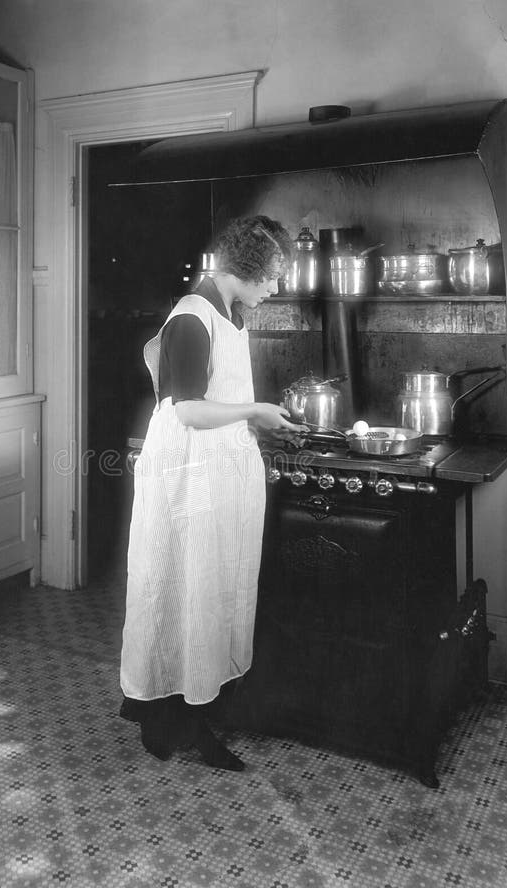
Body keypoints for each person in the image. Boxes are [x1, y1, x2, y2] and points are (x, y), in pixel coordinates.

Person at [119, 215, 307, 771]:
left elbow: (219, 394)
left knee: (210, 588)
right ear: (244, 269)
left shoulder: (230, 315)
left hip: (218, 468)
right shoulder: (192, 317)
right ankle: (167, 715)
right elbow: (189, 409)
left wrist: (258, 422)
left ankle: (189, 710)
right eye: (270, 277)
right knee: (182, 588)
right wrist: (254, 411)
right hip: (186, 474)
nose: (274, 288)